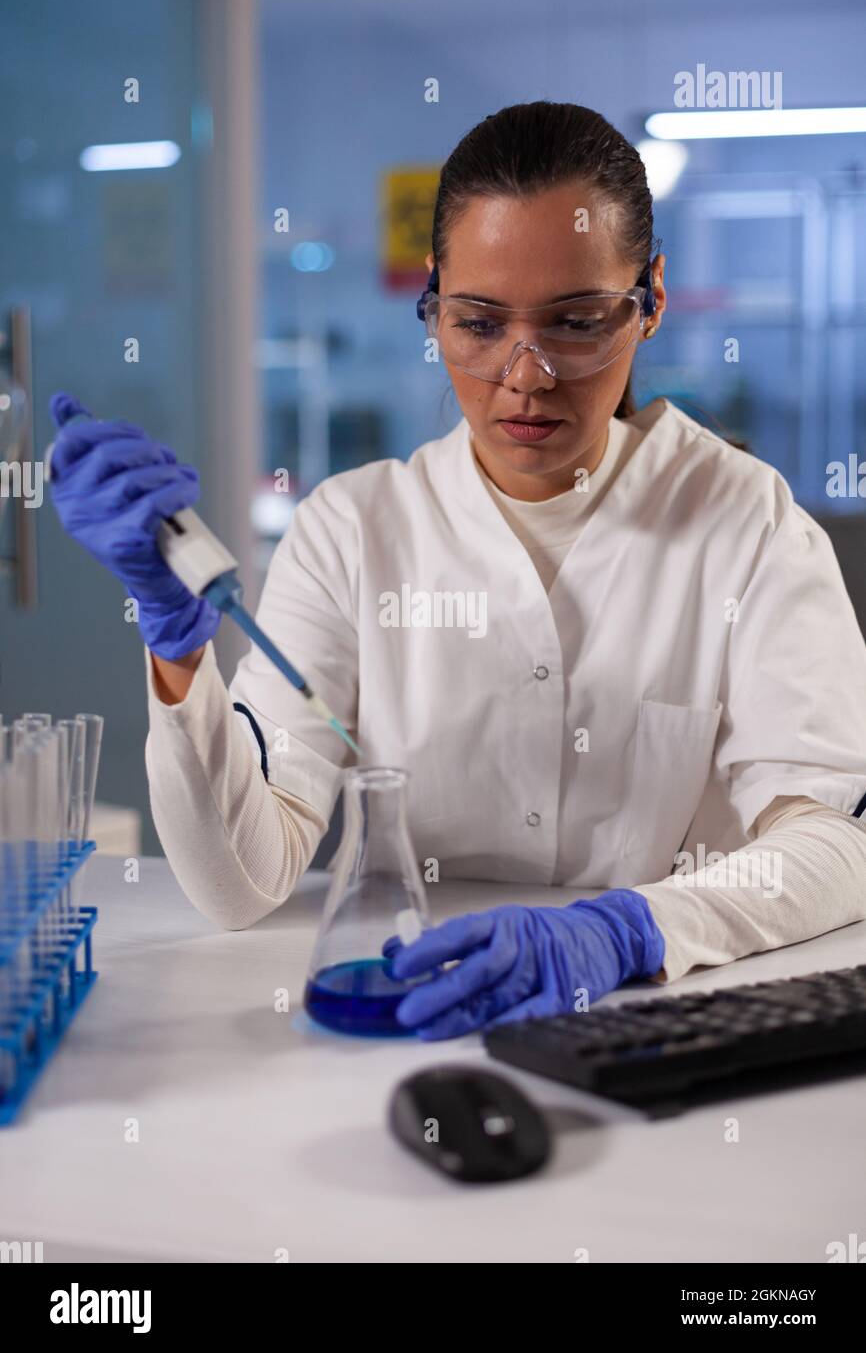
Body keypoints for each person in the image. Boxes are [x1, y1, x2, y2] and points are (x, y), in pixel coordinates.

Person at [50, 101, 866, 1040]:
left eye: (576, 322)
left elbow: (832, 849)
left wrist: (634, 930)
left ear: (650, 302)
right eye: (479, 322)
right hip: (403, 1016)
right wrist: (177, 654)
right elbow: (240, 884)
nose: (525, 376)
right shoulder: (352, 530)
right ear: (434, 302)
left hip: (657, 1027)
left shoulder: (748, 524)